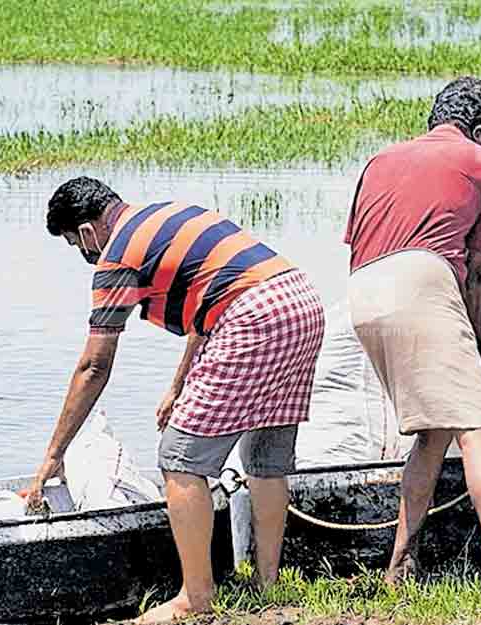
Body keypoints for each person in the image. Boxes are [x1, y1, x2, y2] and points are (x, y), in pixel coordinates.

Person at [29, 177, 325, 623]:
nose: (83, 253)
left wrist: (54, 455)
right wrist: (177, 385)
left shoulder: (116, 256)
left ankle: (194, 598)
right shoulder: (171, 214)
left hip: (252, 315)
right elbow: (210, 306)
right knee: (265, 453)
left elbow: (94, 366)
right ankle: (268, 583)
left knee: (181, 458)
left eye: (76, 244)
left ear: (87, 232)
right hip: (298, 299)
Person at [343, 76, 481, 589]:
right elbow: (475, 273)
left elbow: (358, 244)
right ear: (479, 130)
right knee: (479, 429)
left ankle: (401, 565)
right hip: (424, 280)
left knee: (433, 432)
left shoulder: (380, 161)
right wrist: (478, 346)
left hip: (361, 293)